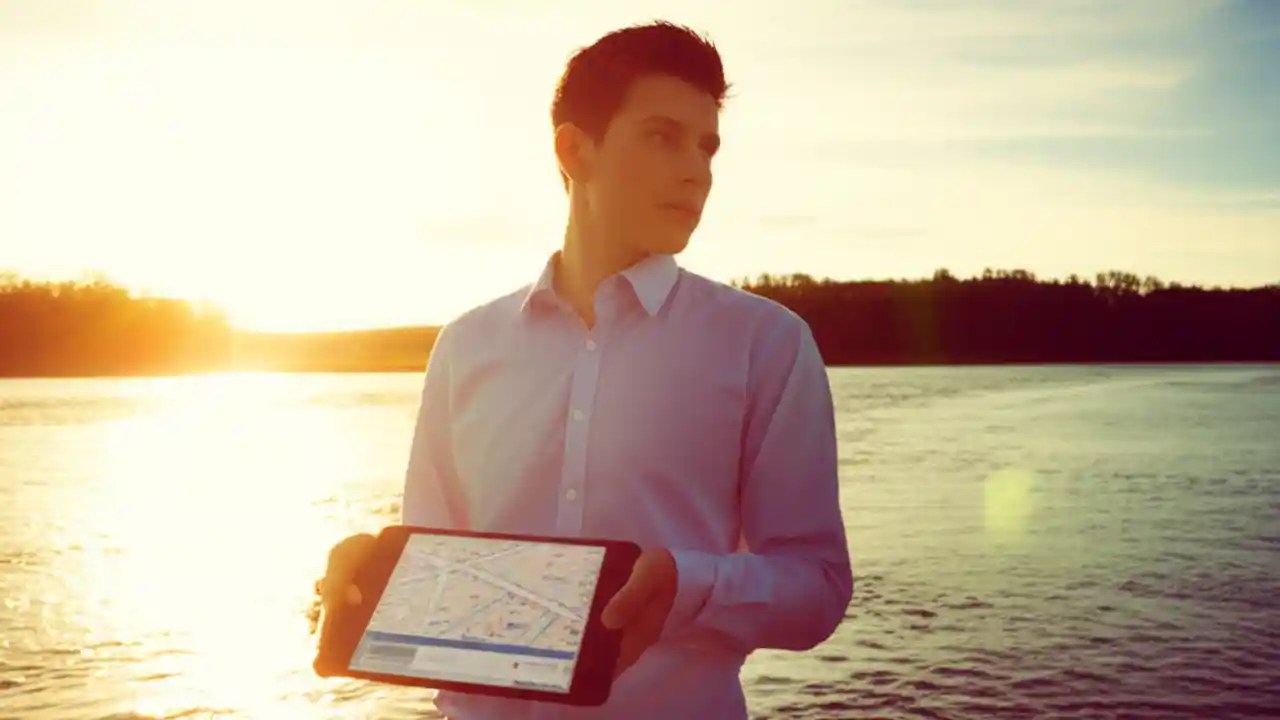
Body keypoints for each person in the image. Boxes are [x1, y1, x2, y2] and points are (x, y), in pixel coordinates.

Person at [318, 20, 853, 719]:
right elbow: (437, 577)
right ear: (575, 149)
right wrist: (373, 584)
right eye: (663, 137)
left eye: (707, 146)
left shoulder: (766, 345)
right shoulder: (466, 348)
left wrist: (687, 586)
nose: (697, 170)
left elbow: (816, 589)